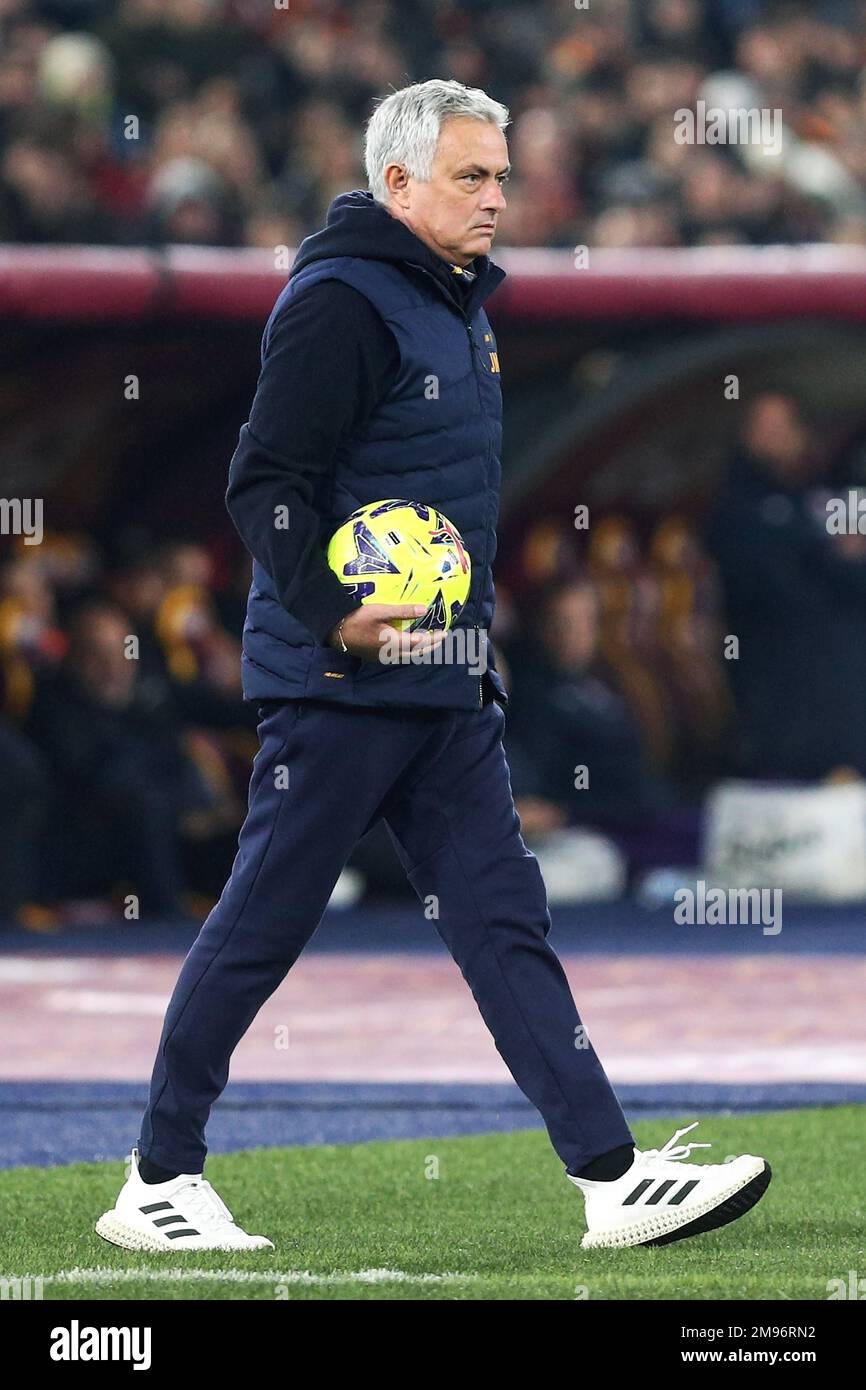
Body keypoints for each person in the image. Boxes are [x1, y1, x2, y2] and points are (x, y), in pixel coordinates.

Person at [97, 79, 770, 1255]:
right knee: (264, 918)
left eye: (502, 174)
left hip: (442, 674)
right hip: (343, 678)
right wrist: (334, 614)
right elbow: (265, 482)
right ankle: (157, 1175)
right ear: (396, 182)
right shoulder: (341, 305)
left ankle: (609, 1178)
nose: (497, 196)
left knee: (504, 919)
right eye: (472, 175)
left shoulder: (453, 302)